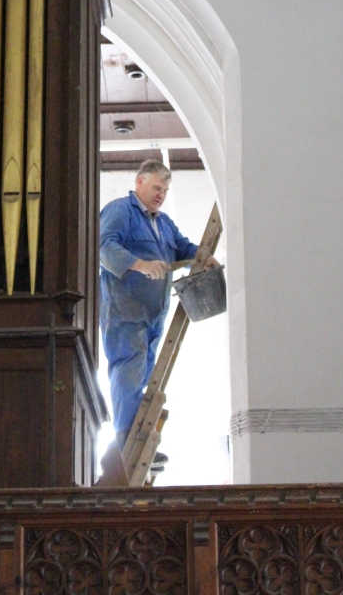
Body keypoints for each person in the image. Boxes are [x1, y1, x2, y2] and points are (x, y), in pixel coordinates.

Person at [100, 158, 219, 466]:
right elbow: (103, 246)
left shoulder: (163, 223)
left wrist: (204, 258)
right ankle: (126, 440)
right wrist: (139, 264)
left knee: (145, 373)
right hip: (125, 309)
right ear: (139, 182)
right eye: (156, 188)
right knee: (129, 369)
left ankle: (140, 437)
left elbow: (183, 248)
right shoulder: (120, 211)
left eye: (165, 190)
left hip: (154, 312)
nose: (161, 195)